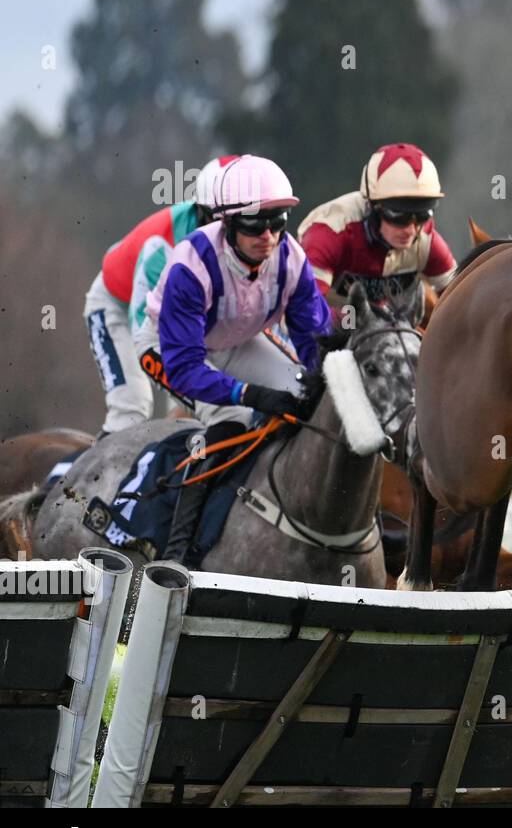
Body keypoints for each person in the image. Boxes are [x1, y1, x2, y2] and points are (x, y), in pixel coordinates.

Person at [137, 154, 332, 563]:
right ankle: (177, 551)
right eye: (255, 225)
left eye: (277, 222)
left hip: (237, 341)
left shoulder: (291, 258)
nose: (268, 236)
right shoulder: (192, 265)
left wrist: (323, 376)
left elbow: (314, 339)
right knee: (235, 418)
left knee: (307, 396)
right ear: (227, 224)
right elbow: (186, 368)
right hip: (171, 349)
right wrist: (250, 394)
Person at [82, 154, 235, 436]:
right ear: (202, 212)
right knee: (131, 412)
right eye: (225, 224)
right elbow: (148, 337)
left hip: (181, 316)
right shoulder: (165, 248)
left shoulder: (259, 243)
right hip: (119, 307)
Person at [298, 142, 457, 326]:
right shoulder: (329, 233)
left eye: (422, 215)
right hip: (317, 332)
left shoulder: (427, 239)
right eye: (399, 216)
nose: (411, 230)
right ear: (372, 207)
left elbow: (463, 300)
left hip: (383, 332)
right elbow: (304, 312)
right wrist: (356, 321)